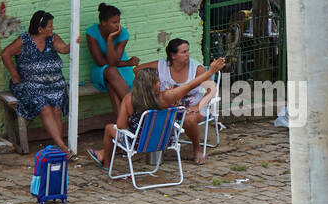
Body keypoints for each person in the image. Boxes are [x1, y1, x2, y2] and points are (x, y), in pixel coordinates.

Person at [88, 55, 226, 170]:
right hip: (166, 140)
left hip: (137, 143)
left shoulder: (129, 99)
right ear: (153, 84)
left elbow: (121, 126)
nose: (160, 83)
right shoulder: (165, 97)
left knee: (109, 128)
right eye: (158, 81)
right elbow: (189, 85)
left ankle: (106, 164)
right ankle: (103, 155)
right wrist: (210, 72)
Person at [1, 10, 81, 158]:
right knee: (44, 107)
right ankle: (62, 146)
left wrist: (74, 43)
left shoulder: (53, 38)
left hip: (55, 84)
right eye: (50, 26)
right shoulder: (24, 40)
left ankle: (59, 144)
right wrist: (14, 74)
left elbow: (63, 49)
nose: (53, 29)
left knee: (56, 108)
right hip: (30, 85)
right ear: (40, 29)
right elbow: (5, 53)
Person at [86, 3, 140, 113]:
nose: (117, 26)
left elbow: (113, 61)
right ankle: (135, 111)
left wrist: (111, 40)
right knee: (111, 71)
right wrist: (111, 39)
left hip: (122, 70)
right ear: (103, 23)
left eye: (118, 22)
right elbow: (101, 62)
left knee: (112, 87)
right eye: (114, 22)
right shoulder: (92, 32)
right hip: (101, 70)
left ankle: (122, 125)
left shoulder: (123, 33)